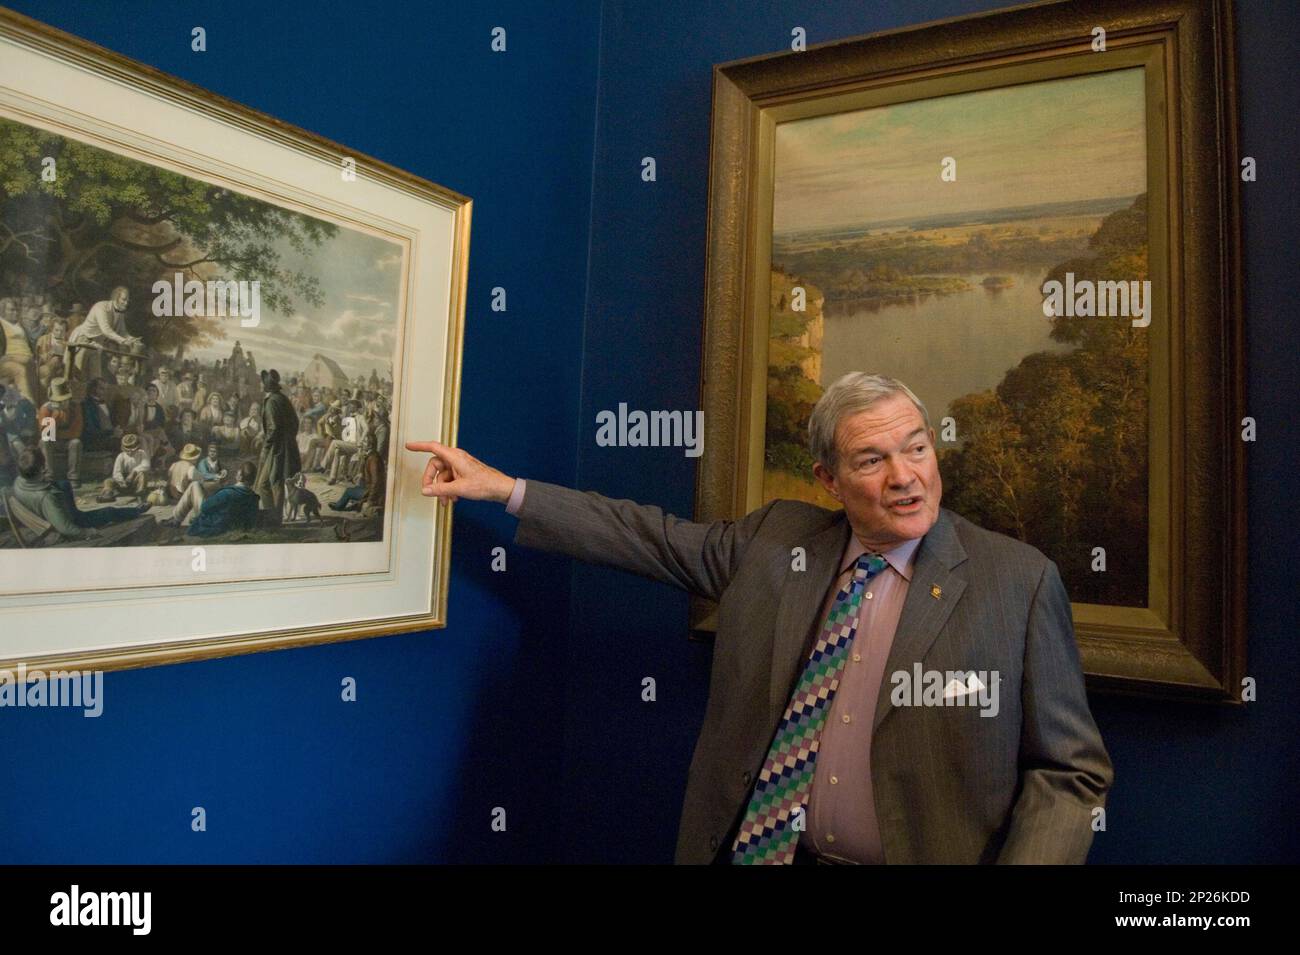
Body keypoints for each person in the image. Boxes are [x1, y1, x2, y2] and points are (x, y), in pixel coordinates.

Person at [405, 372, 1114, 865]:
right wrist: (503, 488)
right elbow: (647, 535)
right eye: (873, 459)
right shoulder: (780, 541)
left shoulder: (1016, 582)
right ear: (829, 481)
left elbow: (1070, 771)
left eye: (917, 446)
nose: (906, 475)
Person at [10, 446, 147, 541]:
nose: (46, 469)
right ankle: (136, 511)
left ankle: (74, 510)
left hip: (47, 503)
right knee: (108, 512)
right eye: (43, 469)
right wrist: (87, 532)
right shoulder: (46, 498)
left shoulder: (19, 481)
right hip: (71, 520)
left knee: (64, 484)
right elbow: (65, 528)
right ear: (38, 471)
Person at [252, 369, 300, 522]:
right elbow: (295, 423)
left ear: (266, 385)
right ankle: (272, 516)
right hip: (284, 445)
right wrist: (289, 438)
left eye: (262, 382)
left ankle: (274, 518)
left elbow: (273, 428)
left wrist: (266, 446)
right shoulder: (283, 398)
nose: (260, 384)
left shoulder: (272, 401)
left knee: (271, 482)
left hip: (277, 447)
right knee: (269, 482)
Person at [67, 286, 140, 380]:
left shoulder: (120, 312)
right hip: (83, 340)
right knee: (78, 374)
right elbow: (106, 330)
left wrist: (132, 339)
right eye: (123, 299)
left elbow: (122, 332)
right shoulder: (101, 307)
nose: (126, 303)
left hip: (97, 345)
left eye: (127, 300)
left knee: (95, 377)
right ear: (115, 297)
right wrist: (124, 341)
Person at [187, 460, 259, 537]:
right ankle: (177, 518)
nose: (237, 472)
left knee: (195, 485)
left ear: (240, 476)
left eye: (238, 471)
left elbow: (204, 507)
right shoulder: (253, 497)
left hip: (217, 527)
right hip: (232, 525)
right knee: (196, 487)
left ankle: (177, 519)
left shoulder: (227, 493)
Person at [37, 377, 84, 483]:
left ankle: (73, 477)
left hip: (68, 441)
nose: (63, 403)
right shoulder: (46, 409)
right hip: (52, 442)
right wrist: (56, 415)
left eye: (65, 400)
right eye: (59, 401)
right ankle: (48, 476)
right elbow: (46, 434)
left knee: (76, 443)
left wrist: (59, 434)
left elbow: (76, 432)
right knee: (44, 442)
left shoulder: (75, 407)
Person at [328, 434, 385, 513]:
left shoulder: (373, 459)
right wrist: (361, 474)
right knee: (357, 485)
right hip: (369, 489)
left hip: (373, 493)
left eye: (364, 442)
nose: (361, 443)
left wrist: (370, 500)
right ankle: (354, 503)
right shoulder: (371, 455)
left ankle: (338, 506)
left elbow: (376, 482)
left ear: (370, 445)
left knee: (349, 491)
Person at [99, 432, 150, 502]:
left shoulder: (142, 453)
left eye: (132, 450)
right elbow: (116, 472)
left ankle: (140, 493)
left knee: (142, 474)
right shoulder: (121, 456)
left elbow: (146, 465)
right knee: (108, 481)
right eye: (127, 450)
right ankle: (108, 495)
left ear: (138, 447)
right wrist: (122, 481)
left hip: (135, 482)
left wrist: (134, 472)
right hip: (123, 483)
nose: (130, 452)